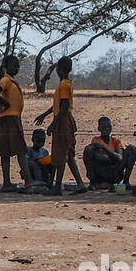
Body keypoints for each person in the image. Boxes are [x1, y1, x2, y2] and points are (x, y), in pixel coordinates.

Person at [34, 56, 87, 195]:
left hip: (63, 121)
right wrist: (44, 115)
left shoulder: (64, 85)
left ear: (59, 69)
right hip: (64, 119)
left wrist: (53, 124)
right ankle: (80, 184)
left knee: (61, 154)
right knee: (68, 154)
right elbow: (57, 105)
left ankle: (57, 187)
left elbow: (64, 107)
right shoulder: (66, 84)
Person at [0, 55, 28, 192]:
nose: (16, 68)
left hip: (11, 118)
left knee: (10, 152)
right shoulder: (5, 80)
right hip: (9, 119)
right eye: (13, 66)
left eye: (17, 66)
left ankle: (8, 182)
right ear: (6, 67)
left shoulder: (11, 81)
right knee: (19, 150)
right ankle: (27, 181)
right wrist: (5, 103)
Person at [82, 117, 136, 189]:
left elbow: (119, 157)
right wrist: (113, 157)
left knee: (131, 149)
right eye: (104, 127)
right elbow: (99, 157)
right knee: (88, 149)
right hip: (101, 172)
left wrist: (104, 148)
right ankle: (93, 182)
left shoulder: (115, 141)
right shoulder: (96, 140)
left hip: (115, 172)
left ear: (111, 128)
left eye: (108, 127)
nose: (106, 129)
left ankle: (126, 182)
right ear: (99, 129)